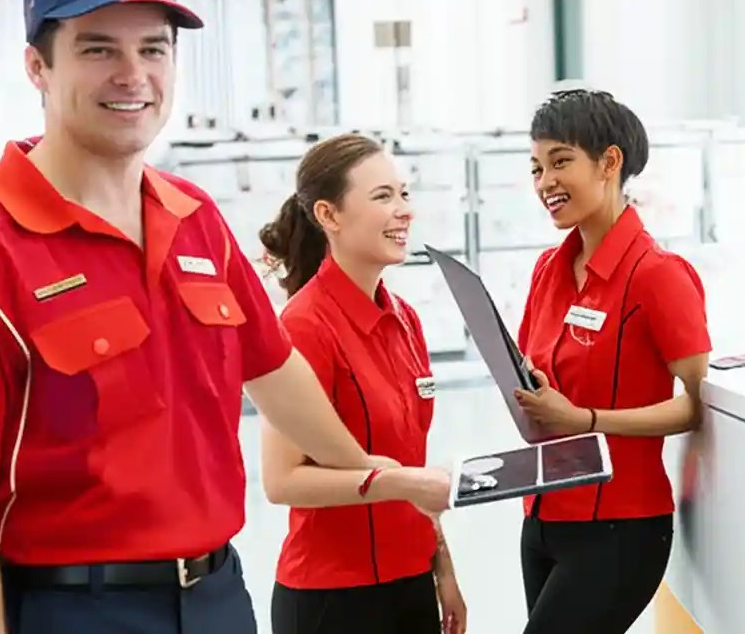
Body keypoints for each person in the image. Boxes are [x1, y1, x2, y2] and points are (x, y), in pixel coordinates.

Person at [0, 0, 447, 634]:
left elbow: (275, 372)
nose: (134, 75)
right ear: (37, 66)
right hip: (74, 609)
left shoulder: (196, 220)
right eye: (98, 50)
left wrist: (375, 475)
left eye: (153, 49)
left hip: (217, 594)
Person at [509, 89, 712, 633]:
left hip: (621, 526)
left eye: (560, 162)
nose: (545, 182)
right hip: (544, 516)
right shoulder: (549, 269)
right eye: (536, 168)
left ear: (610, 162)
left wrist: (586, 421)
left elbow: (698, 404)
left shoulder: (658, 274)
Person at [257, 133, 466, 633]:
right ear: (329, 215)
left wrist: (443, 568)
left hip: (409, 584)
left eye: (404, 194)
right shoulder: (304, 327)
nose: (404, 211)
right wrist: (397, 481)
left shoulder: (406, 321)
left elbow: (413, 465)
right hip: (332, 599)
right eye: (382, 197)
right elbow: (282, 480)